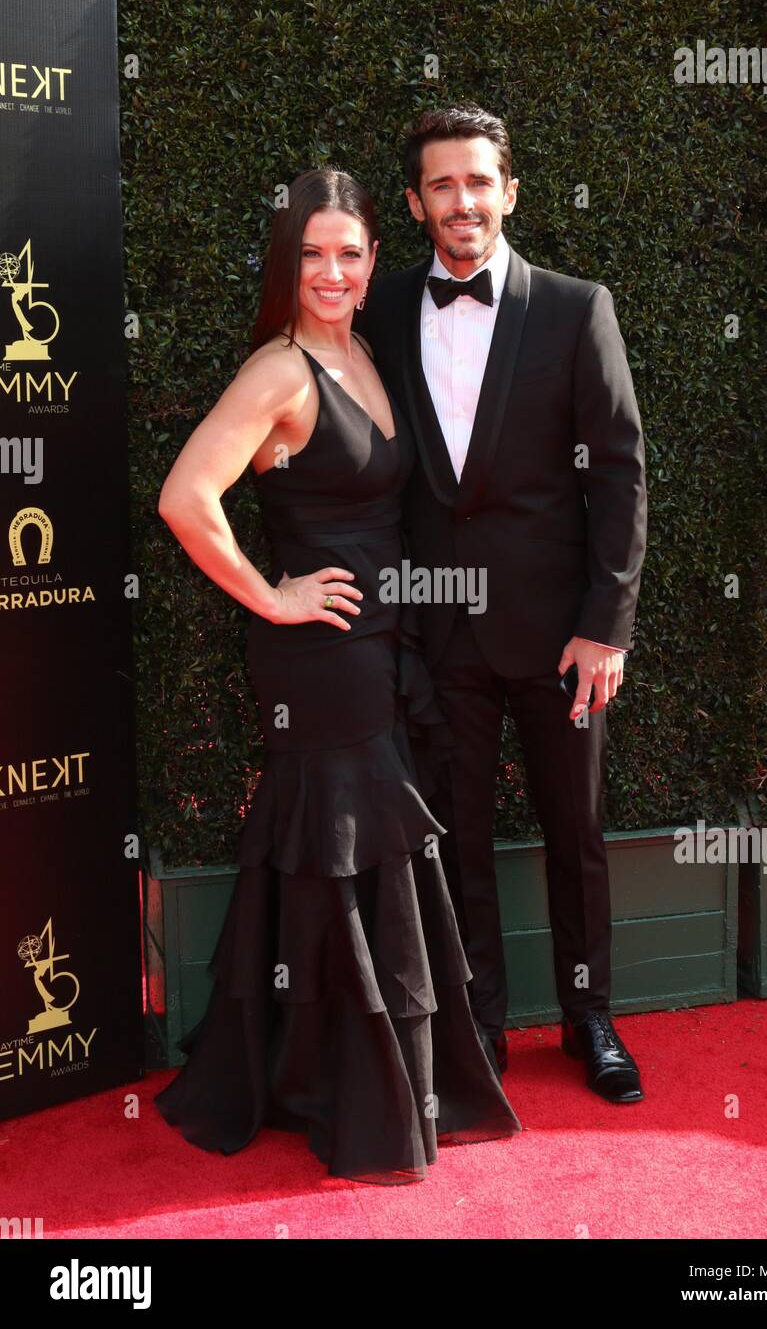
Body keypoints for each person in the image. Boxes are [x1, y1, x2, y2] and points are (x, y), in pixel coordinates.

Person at [153, 167, 521, 1183]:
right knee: (355, 851)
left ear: (369, 261)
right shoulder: (278, 369)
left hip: (381, 645)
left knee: (347, 851)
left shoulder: (359, 350)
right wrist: (273, 595)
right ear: (286, 263)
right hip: (321, 654)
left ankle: (311, 1071)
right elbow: (186, 496)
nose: (331, 270)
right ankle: (355, 1095)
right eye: (311, 253)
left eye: (348, 252)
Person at [353, 104, 648, 1102]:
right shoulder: (382, 311)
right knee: (458, 837)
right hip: (438, 633)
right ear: (414, 202)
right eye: (442, 184)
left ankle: (588, 1016)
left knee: (577, 830)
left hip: (561, 632)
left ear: (509, 190)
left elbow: (617, 476)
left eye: (479, 180)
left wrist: (604, 623)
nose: (462, 200)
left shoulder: (576, 308)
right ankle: (475, 1026)